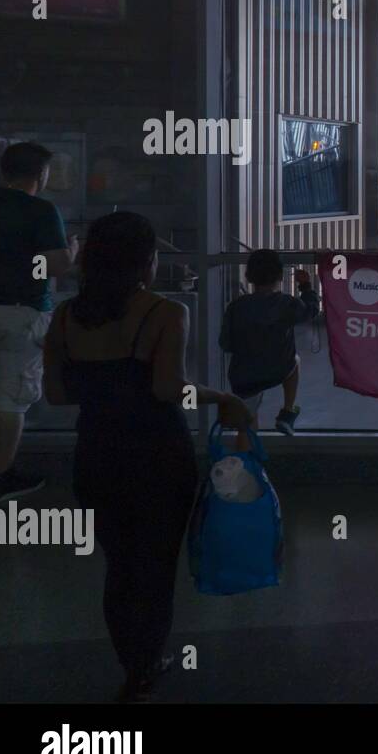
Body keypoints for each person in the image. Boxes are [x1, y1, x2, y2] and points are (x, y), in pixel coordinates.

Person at [42, 211, 252, 701]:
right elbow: (168, 390)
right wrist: (222, 399)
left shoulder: (64, 317)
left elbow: (55, 394)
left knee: (119, 566)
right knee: (156, 568)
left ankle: (129, 660)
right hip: (158, 456)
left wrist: (104, 387)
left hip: (96, 455)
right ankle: (147, 663)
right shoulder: (163, 313)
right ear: (144, 265)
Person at [0, 141, 78, 503]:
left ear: (3, 171)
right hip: (19, 314)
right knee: (9, 399)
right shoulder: (40, 211)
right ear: (41, 174)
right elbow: (51, 265)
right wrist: (70, 252)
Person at [219, 248, 320, 439]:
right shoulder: (287, 304)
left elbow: (225, 343)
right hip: (278, 369)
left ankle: (248, 461)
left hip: (244, 376)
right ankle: (288, 411)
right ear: (280, 276)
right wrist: (306, 286)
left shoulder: (236, 307)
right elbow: (311, 311)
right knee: (295, 360)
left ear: (248, 276)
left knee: (247, 427)